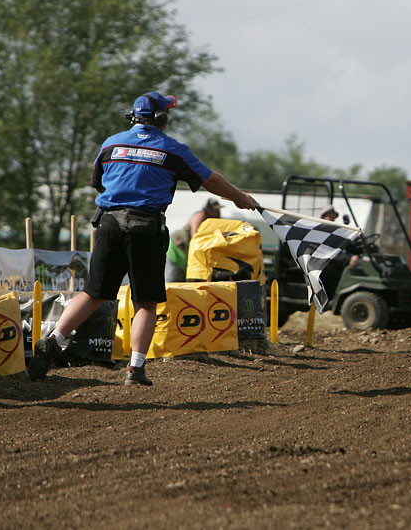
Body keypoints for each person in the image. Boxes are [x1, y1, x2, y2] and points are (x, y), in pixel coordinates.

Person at [28, 92, 258, 386]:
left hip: (109, 223)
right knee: (146, 302)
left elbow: (98, 183)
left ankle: (55, 339)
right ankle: (135, 369)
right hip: (145, 227)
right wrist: (238, 197)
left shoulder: (111, 144)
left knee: (93, 294)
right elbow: (210, 179)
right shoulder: (172, 150)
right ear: (161, 118)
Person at [165, 197, 222, 281]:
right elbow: (195, 236)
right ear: (209, 208)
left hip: (189, 249)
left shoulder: (214, 219)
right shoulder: (200, 215)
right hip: (178, 249)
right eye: (215, 209)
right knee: (175, 278)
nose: (217, 212)